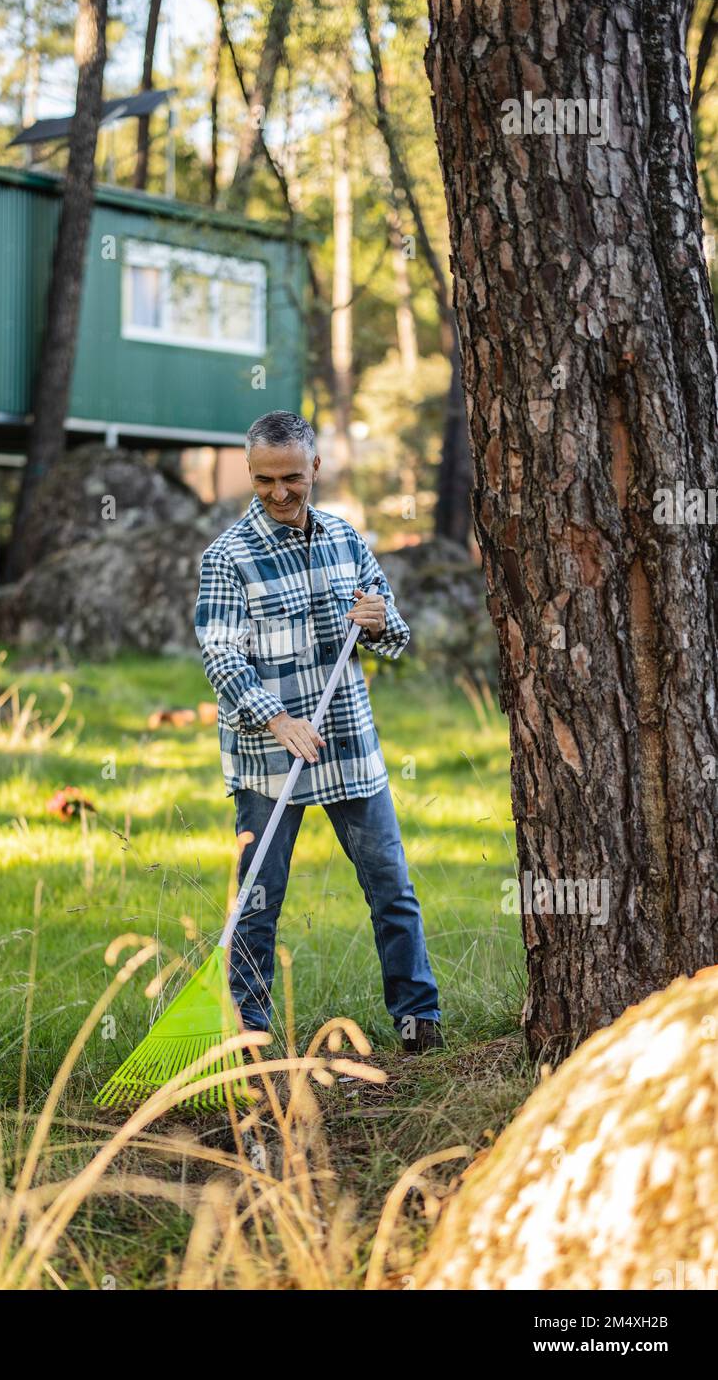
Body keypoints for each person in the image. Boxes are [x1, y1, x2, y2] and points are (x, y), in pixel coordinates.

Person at [194, 410, 442, 1054]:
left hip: (348, 746)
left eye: (292, 478)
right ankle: (248, 1035)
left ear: (316, 470)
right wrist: (275, 718)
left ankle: (419, 1022)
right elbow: (221, 655)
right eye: (264, 479)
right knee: (257, 902)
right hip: (267, 758)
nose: (279, 492)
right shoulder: (228, 559)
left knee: (392, 890)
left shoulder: (345, 540)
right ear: (250, 473)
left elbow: (396, 639)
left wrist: (383, 618)